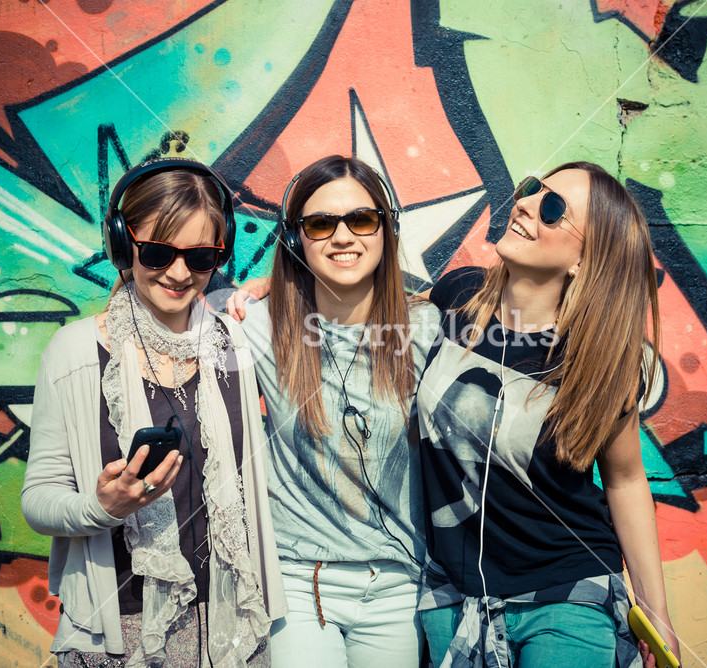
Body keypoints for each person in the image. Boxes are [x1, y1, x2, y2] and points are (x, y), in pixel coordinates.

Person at [21, 158, 285, 667]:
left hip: (230, 627)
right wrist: (103, 508)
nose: (180, 273)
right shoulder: (75, 351)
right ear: (124, 245)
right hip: (121, 630)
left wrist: (277, 280)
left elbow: (358, 300)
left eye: (202, 256)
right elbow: (39, 498)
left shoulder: (236, 339)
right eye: (159, 252)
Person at [415, 161, 679, 667]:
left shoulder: (596, 360)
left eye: (553, 209)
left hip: (566, 591)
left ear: (584, 259)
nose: (527, 204)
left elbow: (624, 480)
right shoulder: (461, 295)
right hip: (455, 596)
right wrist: (281, 289)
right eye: (534, 189)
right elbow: (373, 297)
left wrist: (655, 609)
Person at [230, 155, 440, 668]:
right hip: (300, 582)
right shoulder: (258, 323)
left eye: (361, 220)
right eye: (321, 224)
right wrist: (265, 285)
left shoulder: (430, 329)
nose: (342, 236)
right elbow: (163, 302)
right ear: (295, 236)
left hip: (398, 584)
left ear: (386, 230)